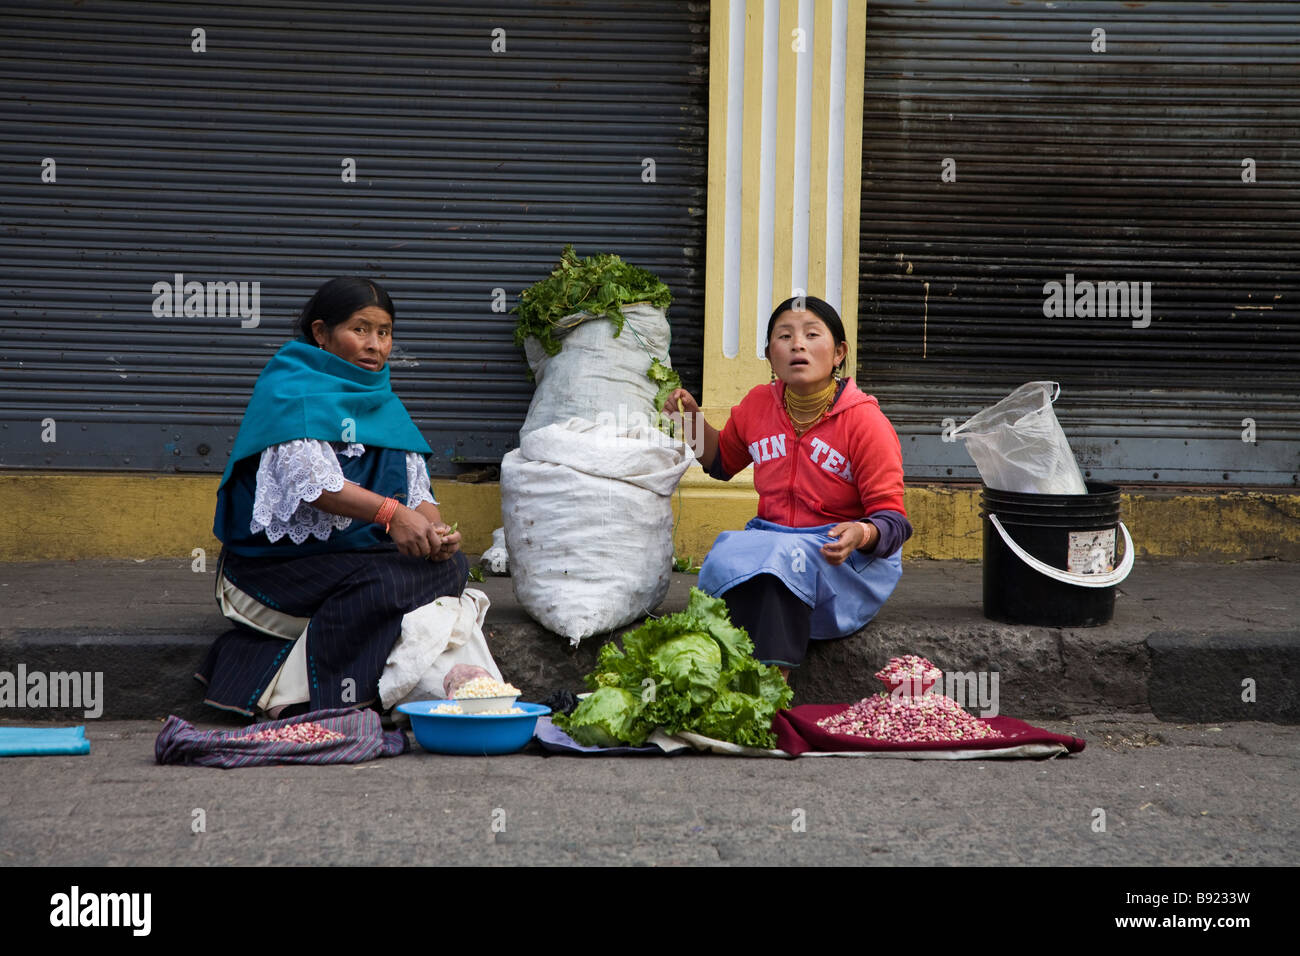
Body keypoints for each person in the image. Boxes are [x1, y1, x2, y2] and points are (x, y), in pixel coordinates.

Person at [198, 277, 469, 717]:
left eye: (384, 332)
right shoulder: (290, 390)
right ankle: (328, 699)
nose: (375, 345)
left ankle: (310, 677)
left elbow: (417, 492)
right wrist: (390, 513)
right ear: (321, 333)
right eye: (360, 329)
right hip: (274, 571)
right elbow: (318, 486)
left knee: (452, 565)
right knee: (387, 583)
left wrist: (435, 532)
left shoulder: (382, 402)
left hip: (352, 562)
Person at [662, 295, 911, 678]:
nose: (798, 344)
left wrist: (861, 532)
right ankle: (726, 684)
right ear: (769, 354)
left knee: (777, 562)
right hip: (774, 543)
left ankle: (770, 693)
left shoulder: (866, 423)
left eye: (812, 334)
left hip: (842, 560)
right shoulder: (758, 405)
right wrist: (691, 420)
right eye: (785, 336)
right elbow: (721, 463)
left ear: (839, 352)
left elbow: (894, 522)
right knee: (732, 552)